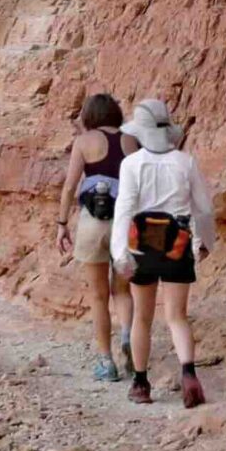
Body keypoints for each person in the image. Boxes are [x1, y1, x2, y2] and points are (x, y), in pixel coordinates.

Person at [111, 99, 216, 408]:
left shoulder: (131, 164)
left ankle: (141, 384)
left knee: (143, 317)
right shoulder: (186, 162)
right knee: (177, 316)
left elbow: (124, 210)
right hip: (178, 243)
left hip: (142, 244)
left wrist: (120, 255)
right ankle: (189, 374)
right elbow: (204, 209)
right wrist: (203, 242)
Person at [56, 94, 140, 381]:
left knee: (98, 296)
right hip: (126, 224)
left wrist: (62, 223)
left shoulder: (84, 141)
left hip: (94, 222)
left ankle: (106, 362)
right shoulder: (131, 141)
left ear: (89, 116)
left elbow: (69, 187)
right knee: (123, 291)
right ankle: (128, 336)